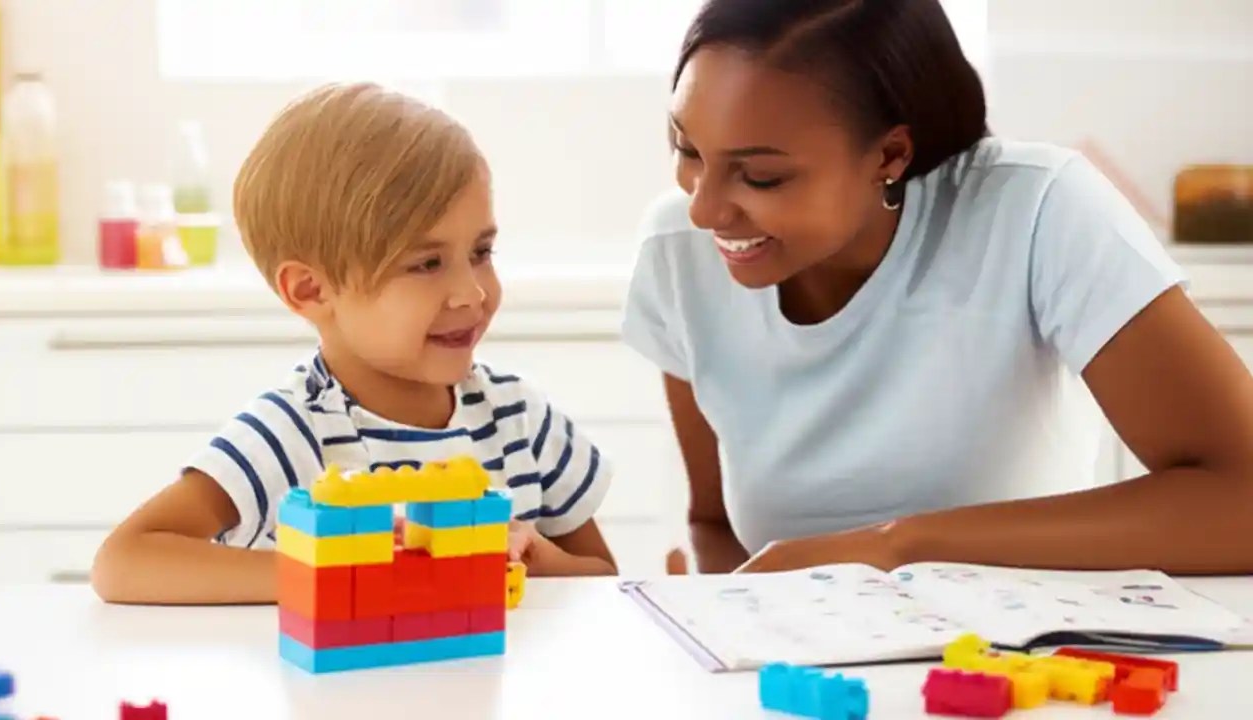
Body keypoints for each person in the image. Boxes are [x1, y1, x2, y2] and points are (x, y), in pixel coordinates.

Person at [622, 0, 1253, 576]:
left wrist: (896, 545)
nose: (704, 210)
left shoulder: (1035, 208)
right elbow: (715, 527)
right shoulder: (681, 252)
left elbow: (1240, 498)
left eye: (760, 176)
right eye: (688, 149)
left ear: (890, 155)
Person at [92, 83, 616, 604]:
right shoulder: (294, 432)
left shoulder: (519, 419)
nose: (471, 292)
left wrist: (543, 561)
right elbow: (125, 560)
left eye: (480, 251)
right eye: (427, 264)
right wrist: (327, 572)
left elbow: (605, 582)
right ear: (312, 290)